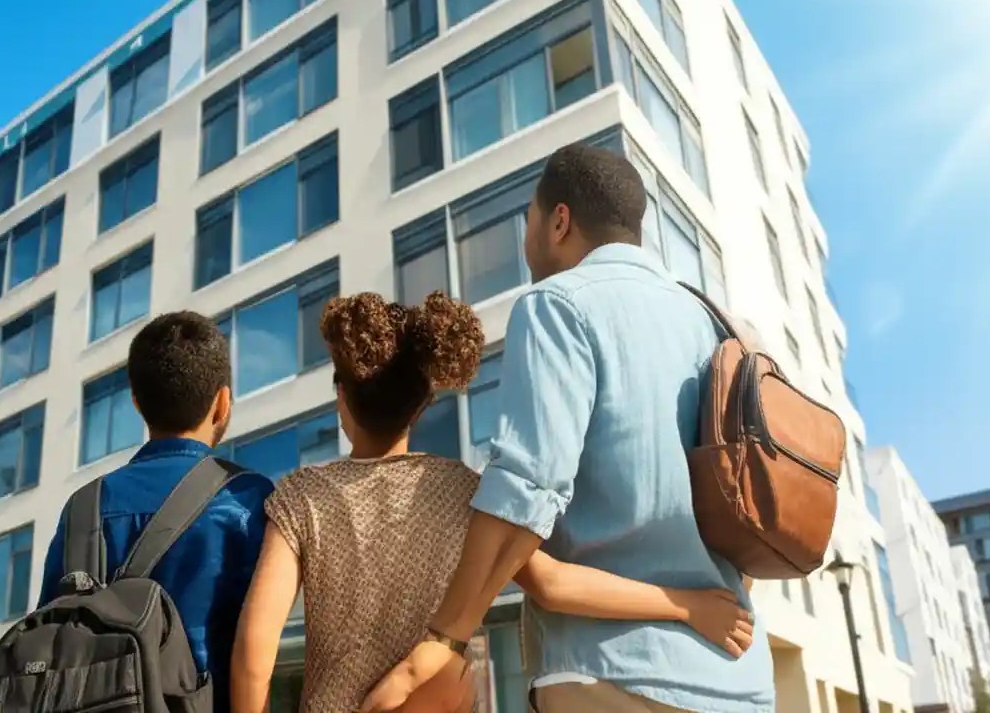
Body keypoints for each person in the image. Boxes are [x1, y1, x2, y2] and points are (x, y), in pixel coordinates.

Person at [361, 144, 776, 713]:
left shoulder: (557, 305)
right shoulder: (717, 325)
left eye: (528, 218)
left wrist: (444, 639)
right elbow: (751, 519)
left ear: (559, 221)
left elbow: (527, 491)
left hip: (615, 678)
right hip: (739, 680)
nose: (527, 234)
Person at [229, 292, 756, 713]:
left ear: (340, 396)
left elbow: (256, 648)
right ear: (424, 405)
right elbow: (553, 585)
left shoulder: (302, 496)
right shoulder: (465, 490)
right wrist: (687, 604)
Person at [37, 312, 272, 713]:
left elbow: (51, 636)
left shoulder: (82, 507)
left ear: (136, 402)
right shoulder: (248, 499)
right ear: (222, 402)